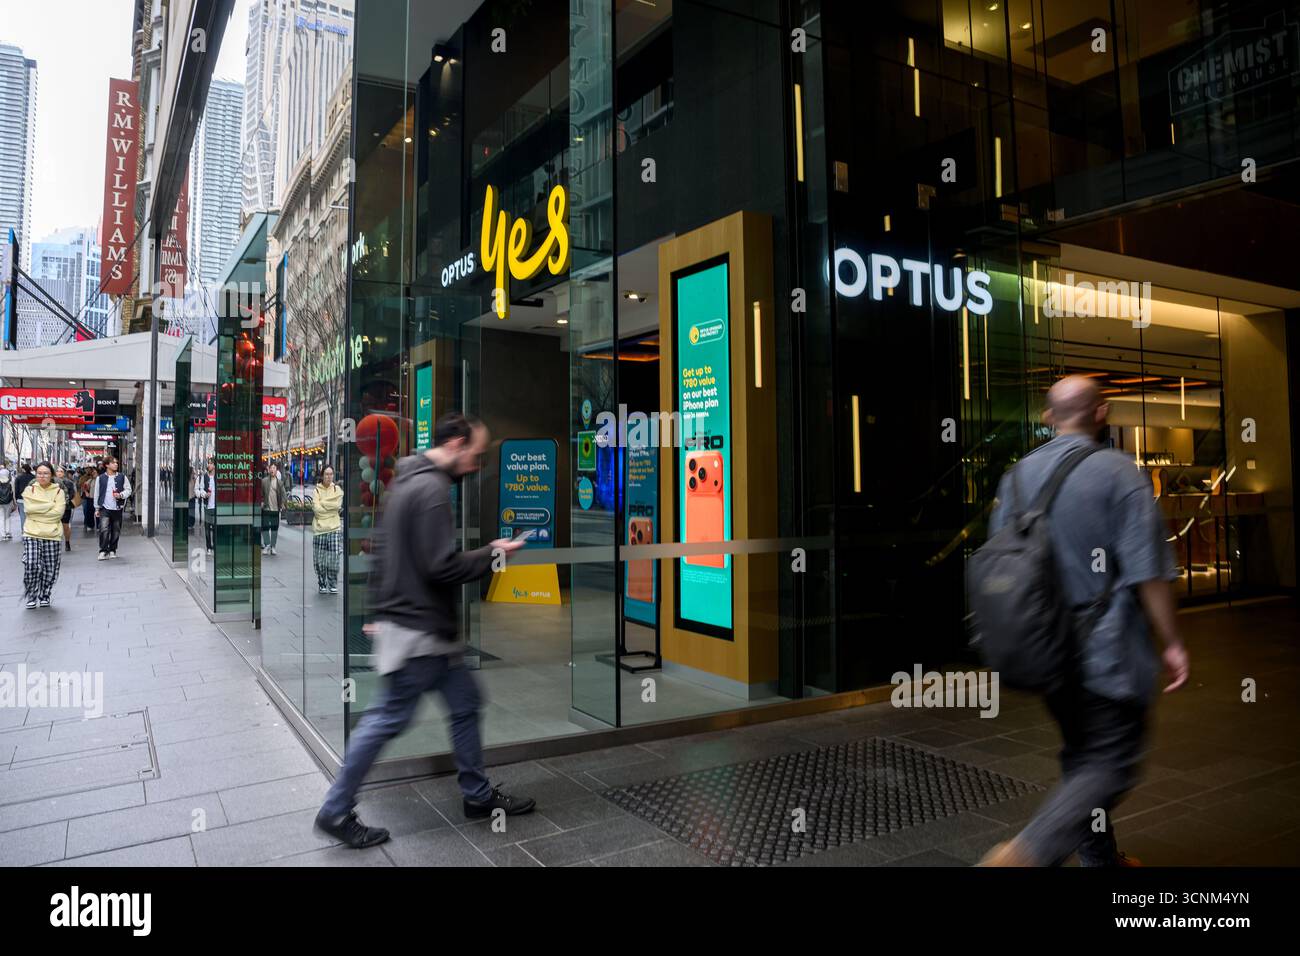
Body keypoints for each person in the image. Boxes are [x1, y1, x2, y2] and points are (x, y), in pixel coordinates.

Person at [980, 375, 1190, 868]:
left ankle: (1101, 857)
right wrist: (1173, 642)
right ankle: (1023, 855)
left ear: (1049, 417)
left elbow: (1003, 560)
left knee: (1082, 753)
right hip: (1106, 652)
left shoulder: (1017, 476)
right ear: (1102, 412)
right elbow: (1148, 571)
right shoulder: (1120, 473)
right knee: (1111, 761)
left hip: (1046, 652)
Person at [314, 413, 533, 849]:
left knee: (465, 702)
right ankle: (336, 808)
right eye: (475, 454)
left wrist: (379, 608)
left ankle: (476, 794)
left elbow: (385, 550)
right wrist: (494, 554)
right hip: (421, 631)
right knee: (387, 718)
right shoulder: (432, 490)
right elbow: (440, 566)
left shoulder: (407, 482)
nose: (476, 464)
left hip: (417, 626)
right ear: (455, 444)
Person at [21, 462, 66, 609]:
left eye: (46, 473)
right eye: (39, 473)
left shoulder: (59, 492)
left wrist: (38, 511)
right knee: (31, 564)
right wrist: (49, 505)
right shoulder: (30, 490)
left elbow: (57, 514)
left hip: (52, 534)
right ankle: (31, 595)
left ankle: (45, 595)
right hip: (31, 532)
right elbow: (28, 510)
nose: (42, 476)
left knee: (50, 568)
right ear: (36, 474)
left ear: (51, 475)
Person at [310, 465, 344, 593]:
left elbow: (338, 506)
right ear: (322, 475)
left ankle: (332, 581)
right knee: (320, 559)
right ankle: (322, 582)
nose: (329, 477)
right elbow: (317, 510)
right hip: (320, 530)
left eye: (331, 474)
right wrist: (330, 508)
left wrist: (323, 503)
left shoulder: (337, 489)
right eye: (326, 474)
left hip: (334, 528)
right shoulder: (316, 491)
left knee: (334, 557)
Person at [94, 456, 132, 560]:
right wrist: (97, 508)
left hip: (117, 508)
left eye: (116, 462)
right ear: (107, 465)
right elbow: (97, 494)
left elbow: (129, 490)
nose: (116, 464)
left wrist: (121, 495)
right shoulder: (100, 478)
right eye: (113, 463)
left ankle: (112, 550)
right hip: (104, 508)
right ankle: (103, 551)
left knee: (116, 530)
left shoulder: (122, 477)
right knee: (103, 529)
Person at [261, 462, 287, 556]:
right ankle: (267, 545)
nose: (272, 470)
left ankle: (273, 546)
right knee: (265, 527)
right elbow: (260, 494)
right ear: (269, 470)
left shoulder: (280, 483)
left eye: (274, 468)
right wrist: (261, 501)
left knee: (274, 528)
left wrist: (283, 503)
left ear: (276, 470)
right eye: (271, 468)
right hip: (266, 508)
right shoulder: (264, 481)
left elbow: (284, 494)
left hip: (276, 508)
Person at [55, 466, 76, 553]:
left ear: (64, 473)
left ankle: (67, 542)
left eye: (61, 471)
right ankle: (56, 543)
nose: (59, 473)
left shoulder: (69, 483)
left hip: (66, 508)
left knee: (65, 526)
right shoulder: (52, 482)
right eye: (57, 471)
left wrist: (63, 501)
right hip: (54, 508)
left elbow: (72, 495)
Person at [198, 458, 217, 553]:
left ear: (214, 465)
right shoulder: (204, 477)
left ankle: (215, 545)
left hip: (216, 506)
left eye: (210, 463)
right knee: (207, 527)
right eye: (208, 463)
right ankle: (208, 547)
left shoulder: (218, 477)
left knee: (215, 527)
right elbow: (200, 489)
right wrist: (204, 494)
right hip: (207, 506)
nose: (208, 465)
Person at [14, 463, 33, 534]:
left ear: (23, 469)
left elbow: (16, 489)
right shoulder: (33, 477)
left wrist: (16, 499)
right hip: (31, 499)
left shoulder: (19, 477)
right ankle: (31, 531)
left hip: (21, 499)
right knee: (31, 516)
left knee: (22, 516)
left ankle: (24, 531)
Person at [0, 467, 14, 541]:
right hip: (8, 501)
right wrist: (14, 503)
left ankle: (3, 534)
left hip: (0, 503)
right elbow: (13, 492)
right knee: (8, 517)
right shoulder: (10, 482)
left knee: (1, 517)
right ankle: (8, 532)